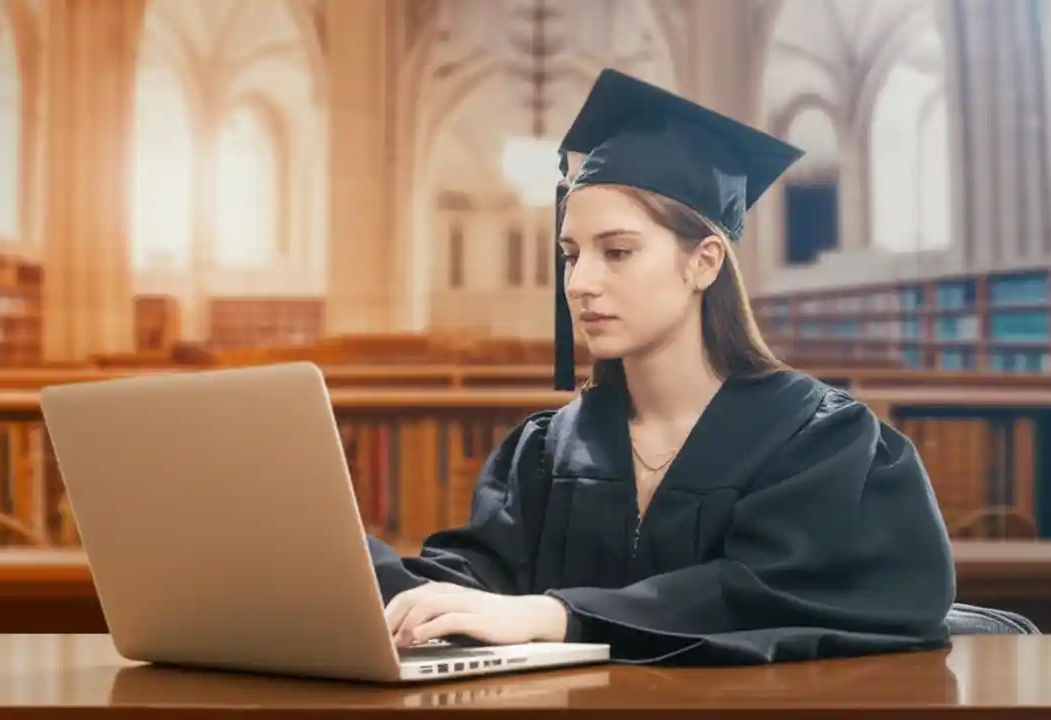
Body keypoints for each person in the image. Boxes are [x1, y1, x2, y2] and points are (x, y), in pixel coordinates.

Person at [365, 68, 956, 665]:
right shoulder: (547, 451)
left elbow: (768, 597)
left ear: (703, 262)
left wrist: (556, 616)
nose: (581, 283)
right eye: (571, 256)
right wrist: (342, 560)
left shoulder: (823, 443)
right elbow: (472, 583)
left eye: (617, 252)